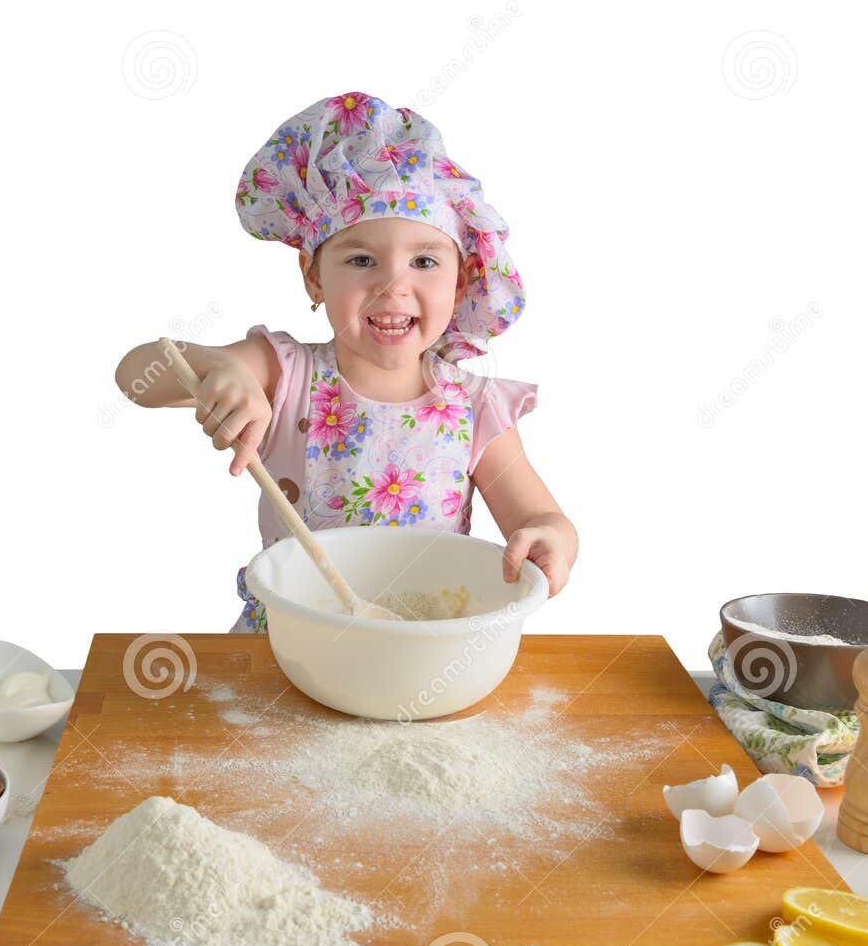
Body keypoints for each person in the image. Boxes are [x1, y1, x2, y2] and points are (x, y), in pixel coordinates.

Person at [116, 91, 578, 632]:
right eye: (362, 259)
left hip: (419, 650)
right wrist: (226, 371)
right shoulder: (284, 372)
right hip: (285, 645)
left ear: (462, 282)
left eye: (424, 261)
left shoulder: (476, 408)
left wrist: (551, 540)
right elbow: (135, 377)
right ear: (314, 274)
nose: (393, 285)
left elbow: (539, 518)